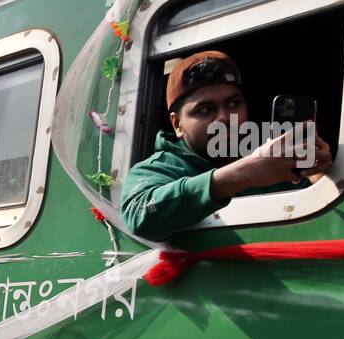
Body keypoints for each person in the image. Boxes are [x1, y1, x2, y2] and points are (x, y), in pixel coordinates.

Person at [120, 51, 333, 242]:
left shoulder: (272, 156)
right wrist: (242, 174)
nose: (224, 117)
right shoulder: (159, 169)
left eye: (233, 104)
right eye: (205, 109)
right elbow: (138, 215)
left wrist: (319, 177)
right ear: (177, 124)